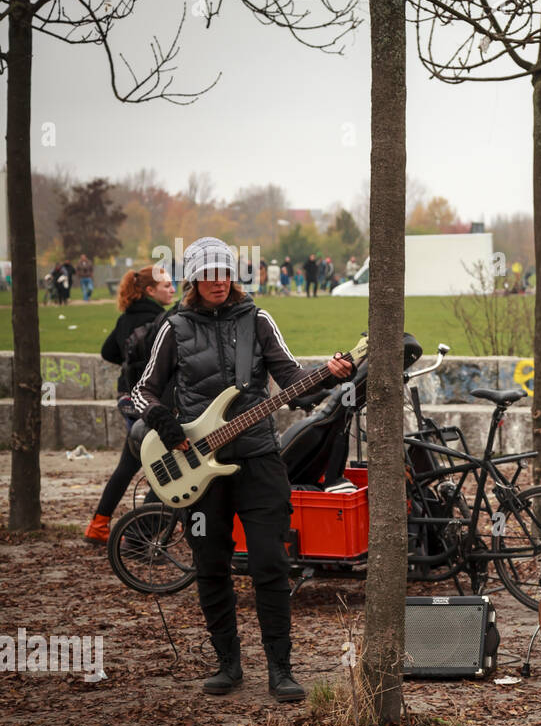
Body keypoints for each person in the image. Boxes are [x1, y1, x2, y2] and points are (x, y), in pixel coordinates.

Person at [132, 237, 353, 702]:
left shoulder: (257, 320)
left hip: (257, 459)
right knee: (211, 565)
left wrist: (328, 375)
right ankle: (227, 665)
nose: (218, 281)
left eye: (225, 272)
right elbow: (142, 391)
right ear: (194, 279)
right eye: (208, 274)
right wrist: (162, 421)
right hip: (195, 467)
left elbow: (293, 381)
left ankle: (280, 669)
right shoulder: (174, 327)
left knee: (270, 563)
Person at [84, 266, 177, 542]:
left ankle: (99, 525)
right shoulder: (159, 319)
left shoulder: (127, 318)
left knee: (130, 463)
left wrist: (130, 365)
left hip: (127, 398)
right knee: (169, 466)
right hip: (151, 400)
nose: (172, 290)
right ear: (150, 290)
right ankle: (142, 533)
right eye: (166, 286)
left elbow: (107, 351)